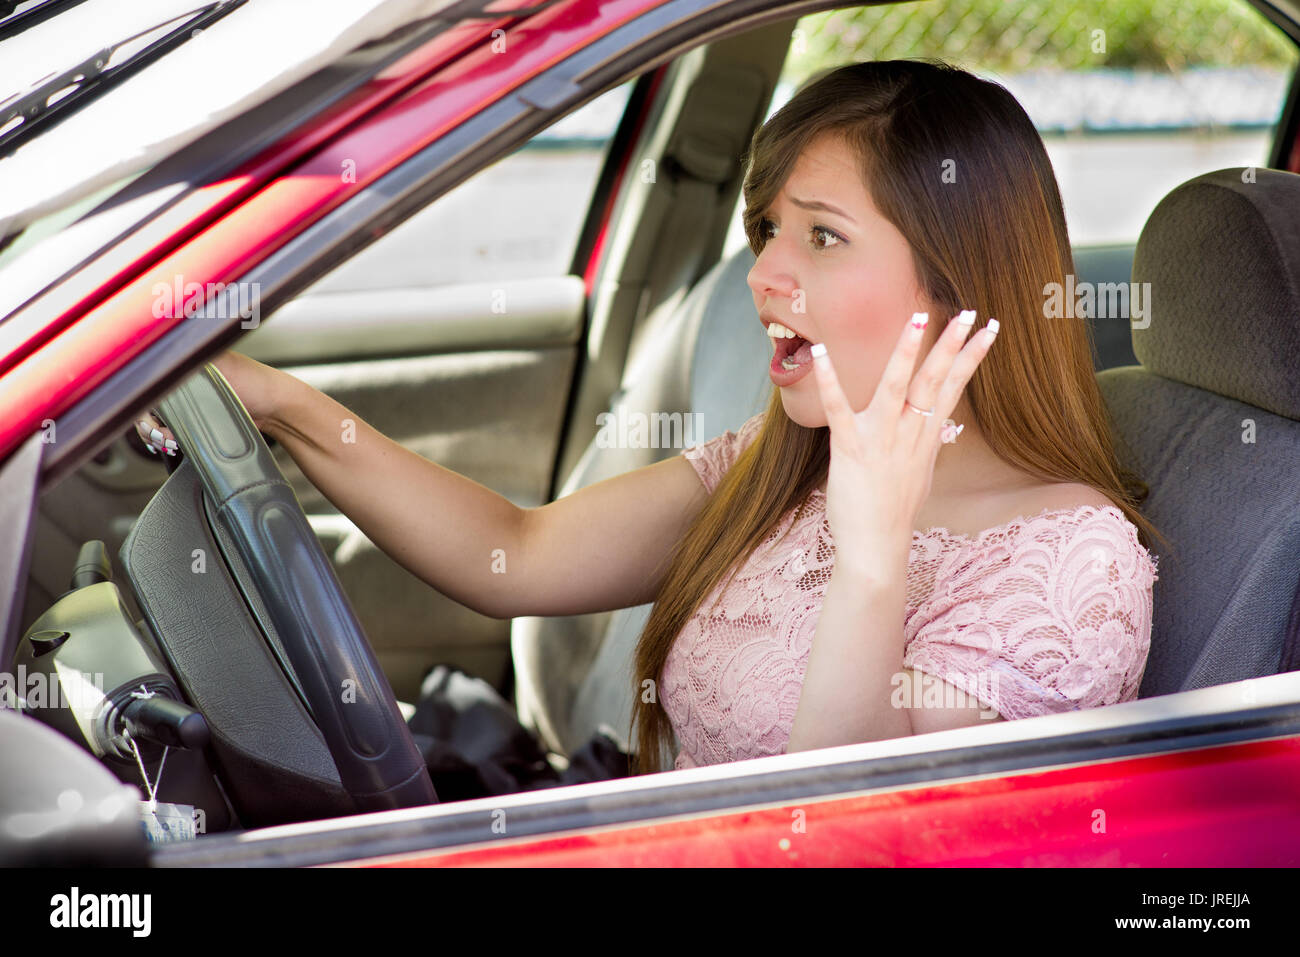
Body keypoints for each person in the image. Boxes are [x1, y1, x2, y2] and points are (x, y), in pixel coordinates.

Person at [136, 59, 1161, 778]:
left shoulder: (1071, 567)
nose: (764, 274)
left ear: (953, 285)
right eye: (767, 231)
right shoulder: (772, 470)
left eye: (822, 237)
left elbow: (848, 832)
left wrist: (873, 557)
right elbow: (516, 554)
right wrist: (286, 408)